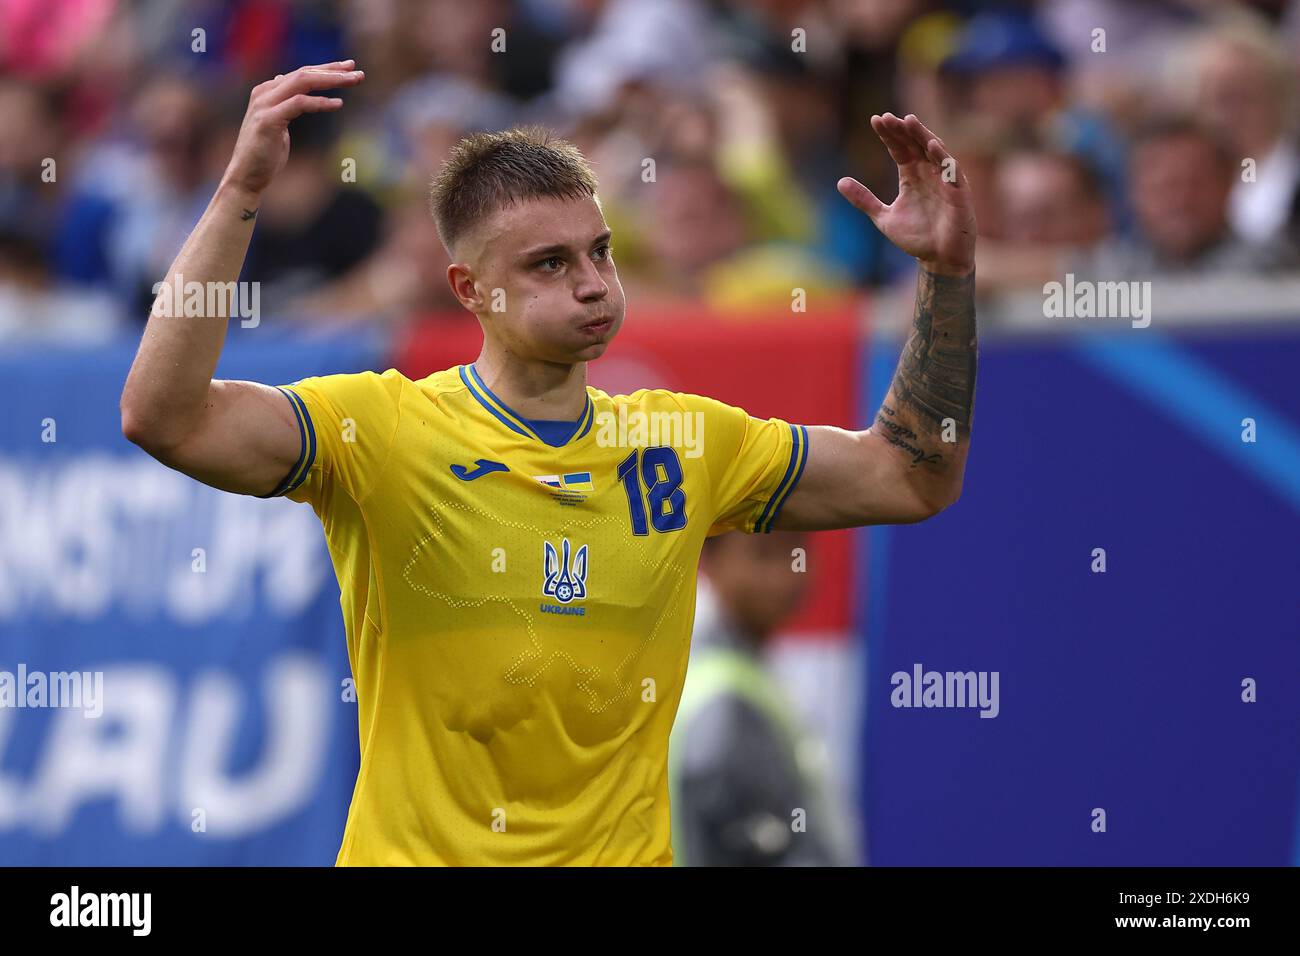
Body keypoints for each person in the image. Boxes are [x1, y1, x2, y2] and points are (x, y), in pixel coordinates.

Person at [119, 60, 978, 866]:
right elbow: (164, 417)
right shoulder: (379, 429)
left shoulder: (685, 442)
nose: (594, 283)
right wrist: (241, 190)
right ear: (470, 291)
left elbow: (909, 474)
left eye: (600, 251)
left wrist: (945, 272)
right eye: (550, 265)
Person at [670, 530, 852, 866]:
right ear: (709, 560)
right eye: (763, 554)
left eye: (797, 550)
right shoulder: (727, 706)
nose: (786, 575)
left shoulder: (742, 670)